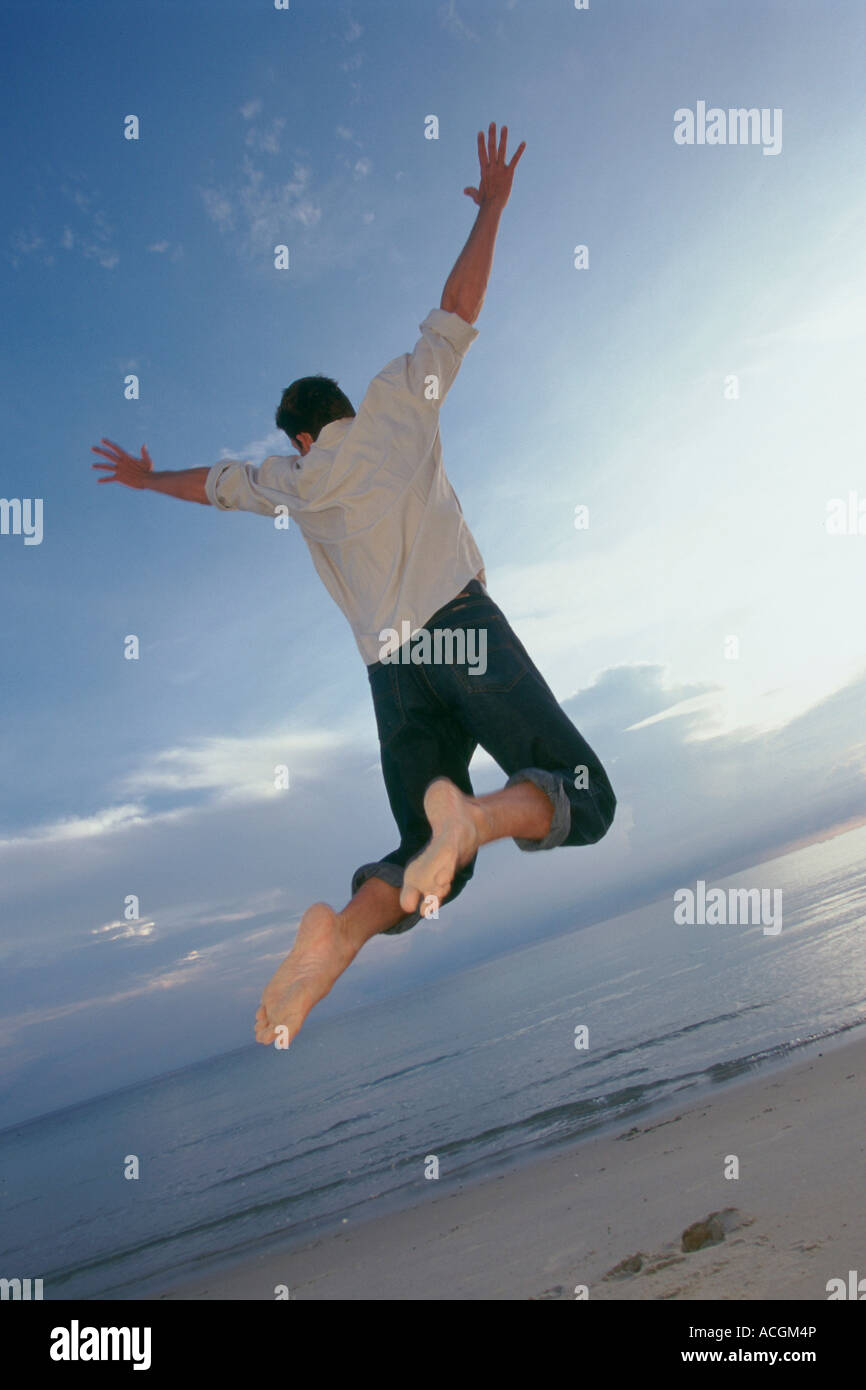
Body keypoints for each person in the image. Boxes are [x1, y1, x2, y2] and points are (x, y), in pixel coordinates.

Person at [92, 123, 616, 1049]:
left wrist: (141, 478)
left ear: (296, 435)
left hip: (390, 677)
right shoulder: (393, 406)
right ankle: (479, 818)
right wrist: (493, 206)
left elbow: (210, 486)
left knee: (425, 863)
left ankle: (340, 937)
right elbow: (457, 308)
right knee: (585, 796)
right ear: (335, 413)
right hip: (459, 628)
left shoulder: (289, 481)